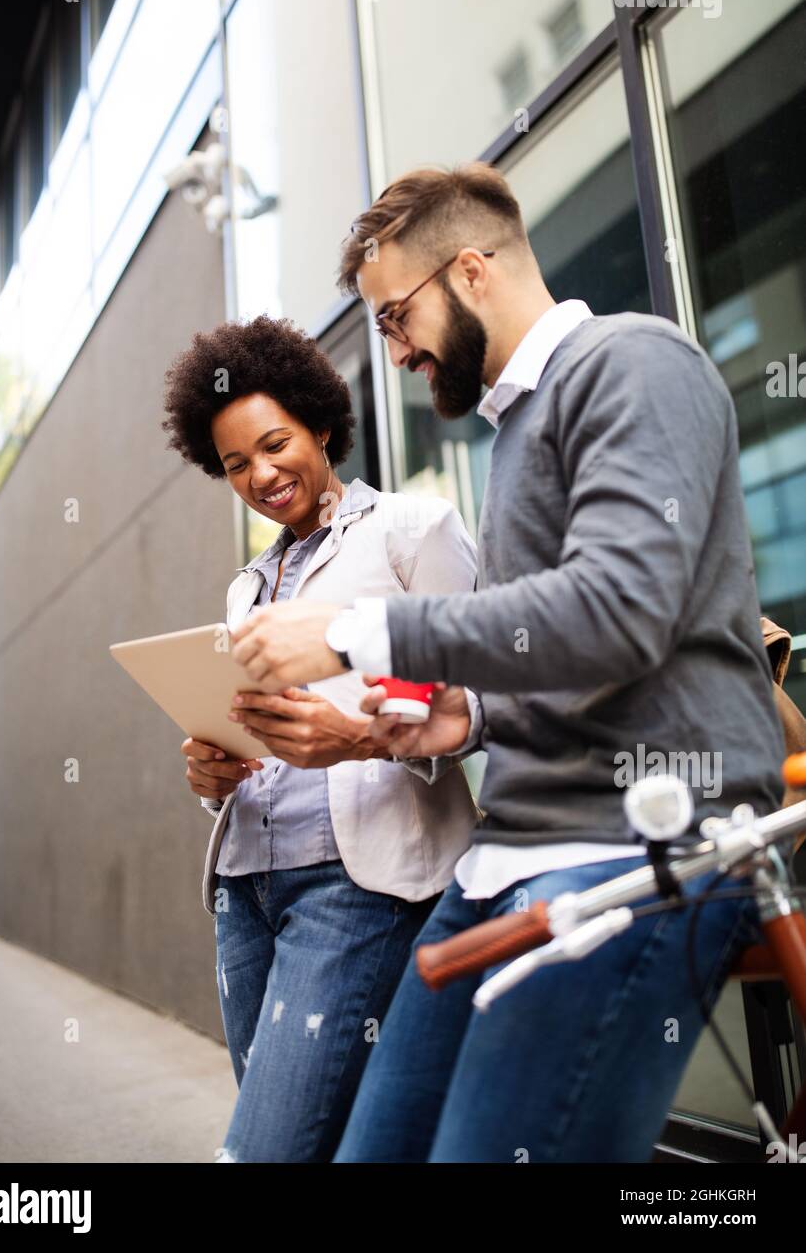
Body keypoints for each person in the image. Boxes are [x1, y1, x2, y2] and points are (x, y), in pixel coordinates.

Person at [229, 165, 786, 1162]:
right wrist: (469, 717)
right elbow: (558, 646)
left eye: (396, 318)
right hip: (499, 863)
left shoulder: (634, 363)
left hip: (626, 847)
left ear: (471, 270)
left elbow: (620, 610)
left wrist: (358, 630)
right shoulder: (515, 428)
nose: (394, 352)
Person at [160, 314, 479, 1163]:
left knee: (265, 1149)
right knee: (325, 1139)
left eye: (274, 445)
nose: (261, 475)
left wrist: (360, 732)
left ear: (322, 425)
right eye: (234, 465)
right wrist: (212, 769)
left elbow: (481, 694)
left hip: (357, 883)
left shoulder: (412, 532)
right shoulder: (247, 588)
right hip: (244, 889)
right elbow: (248, 737)